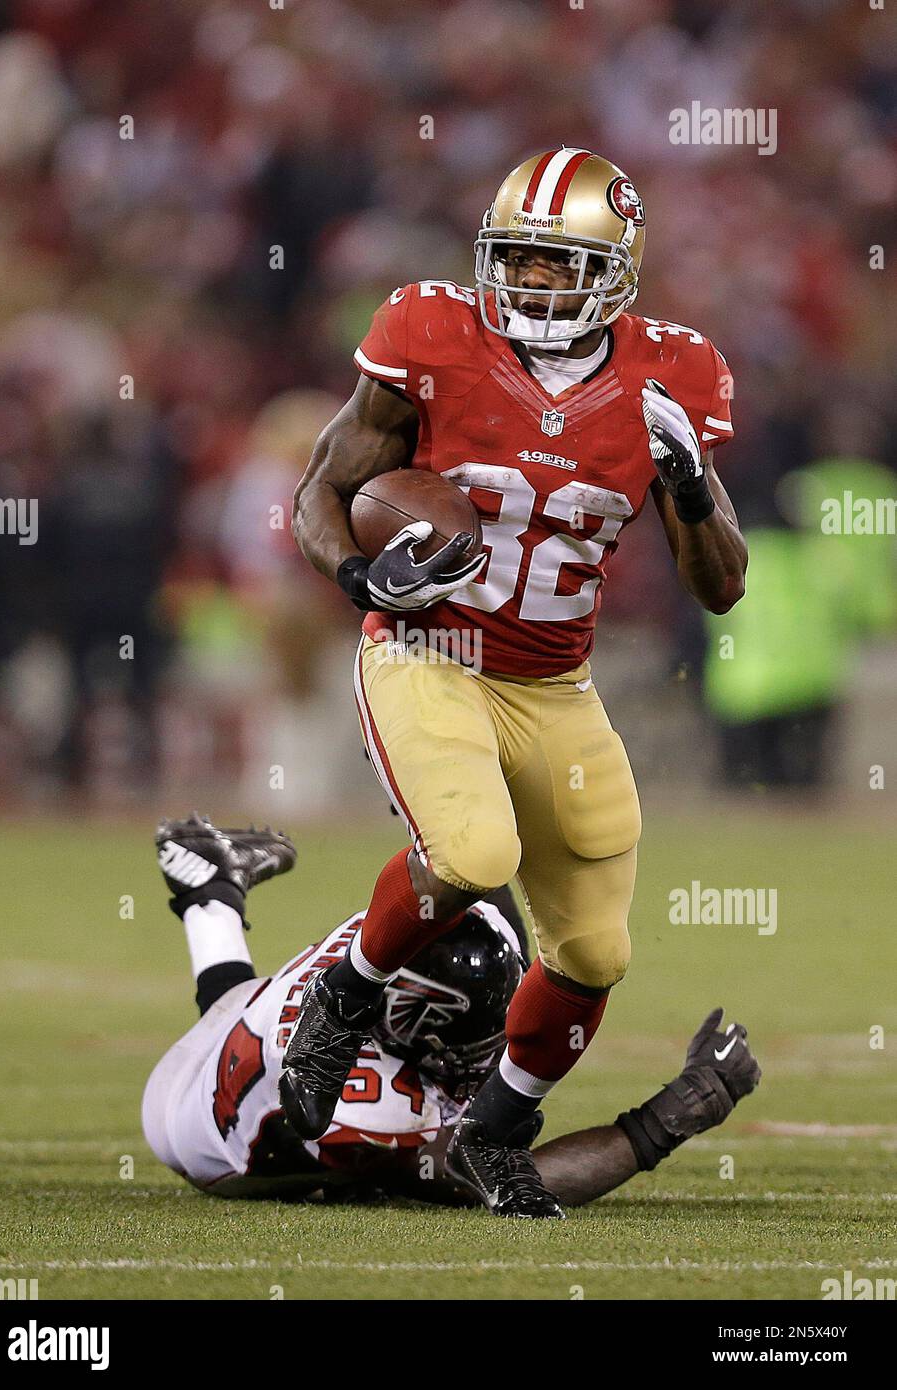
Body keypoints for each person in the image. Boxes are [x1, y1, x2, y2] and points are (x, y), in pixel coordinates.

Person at [285, 147, 748, 1217]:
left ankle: (493, 1134)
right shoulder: (429, 334)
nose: (532, 285)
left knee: (594, 947)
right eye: (520, 262)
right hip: (430, 651)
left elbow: (719, 586)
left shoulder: (675, 372)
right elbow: (323, 486)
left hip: (555, 681)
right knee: (473, 851)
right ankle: (342, 997)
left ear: (617, 270)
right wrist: (360, 573)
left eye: (558, 266)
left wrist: (688, 480)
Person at [142, 815, 760, 1210]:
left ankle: (212, 895)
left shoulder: (392, 950)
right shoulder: (375, 1108)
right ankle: (212, 894)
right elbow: (503, 1179)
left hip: (251, 1024)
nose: (492, 1049)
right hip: (195, 1134)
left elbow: (457, 874)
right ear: (421, 1031)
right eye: (474, 1041)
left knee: (454, 878)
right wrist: (665, 1120)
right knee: (417, 1175)